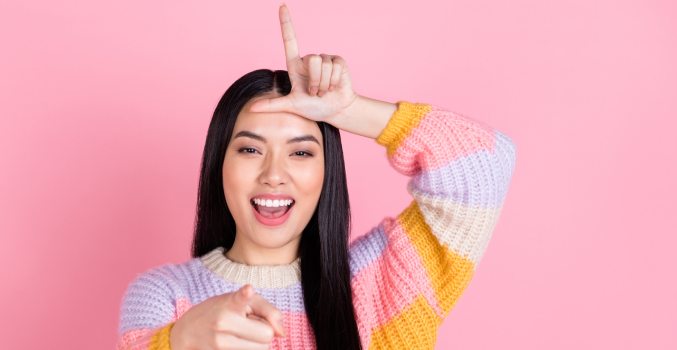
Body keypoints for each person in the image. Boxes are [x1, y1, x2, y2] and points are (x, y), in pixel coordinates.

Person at [117, 3, 516, 350]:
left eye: (301, 152)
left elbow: (484, 163)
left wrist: (347, 111)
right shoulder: (167, 298)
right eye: (251, 149)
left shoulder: (386, 283)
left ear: (328, 172)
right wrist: (179, 342)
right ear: (219, 164)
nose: (274, 175)